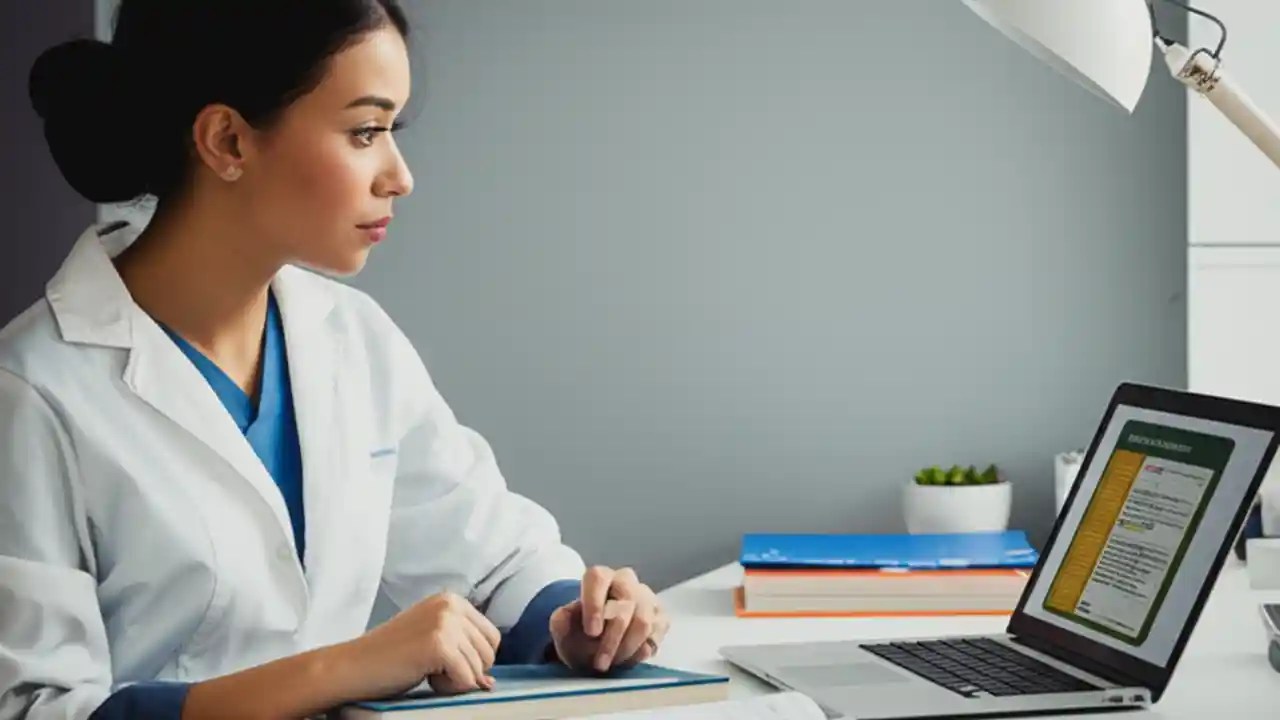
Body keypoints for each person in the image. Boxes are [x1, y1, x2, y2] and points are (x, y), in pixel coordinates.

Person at [0, 2, 668, 718]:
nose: (399, 177)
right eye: (364, 132)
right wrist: (345, 669)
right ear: (227, 140)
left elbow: (495, 559)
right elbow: (38, 707)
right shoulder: (35, 390)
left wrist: (579, 620)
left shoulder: (353, 338)